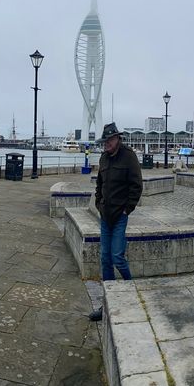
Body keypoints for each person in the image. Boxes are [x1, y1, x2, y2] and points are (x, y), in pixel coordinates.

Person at [88, 123, 142, 320]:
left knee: (117, 256)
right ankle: (107, 304)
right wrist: (98, 202)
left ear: (118, 139)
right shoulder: (103, 158)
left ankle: (132, 293)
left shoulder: (129, 157)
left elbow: (136, 185)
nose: (106, 144)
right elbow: (99, 184)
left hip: (120, 215)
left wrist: (128, 209)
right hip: (105, 215)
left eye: (109, 140)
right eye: (105, 141)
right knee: (105, 258)